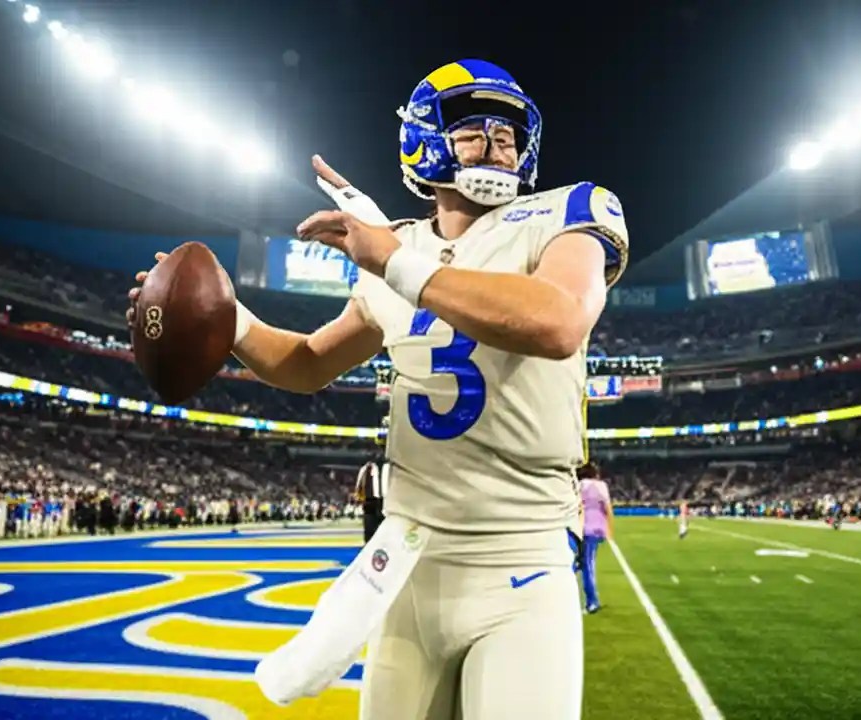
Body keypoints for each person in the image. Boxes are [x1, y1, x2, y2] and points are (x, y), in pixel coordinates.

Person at [128, 59, 627, 720]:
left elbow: (559, 320)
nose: (497, 144)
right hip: (409, 560)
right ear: (424, 138)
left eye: (507, 134)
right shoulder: (399, 250)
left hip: (523, 559)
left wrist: (394, 260)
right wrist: (227, 318)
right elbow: (306, 363)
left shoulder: (567, 212)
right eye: (474, 131)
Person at [578, 462, 613, 614]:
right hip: (597, 530)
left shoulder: (581, 485)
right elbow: (608, 509)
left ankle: (592, 602)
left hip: (583, 529)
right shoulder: (601, 486)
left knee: (586, 566)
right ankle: (591, 600)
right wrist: (608, 529)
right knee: (586, 565)